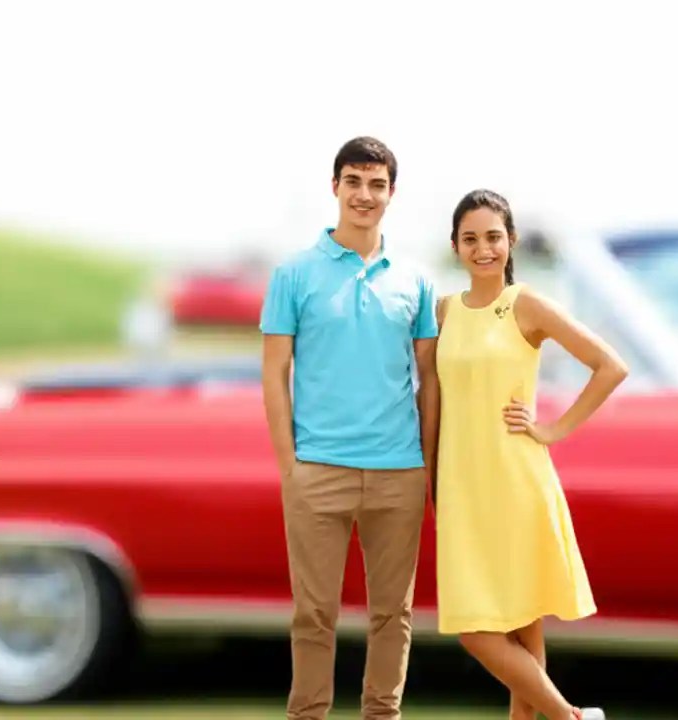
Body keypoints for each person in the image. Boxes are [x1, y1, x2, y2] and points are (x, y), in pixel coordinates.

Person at [260, 136, 439, 720]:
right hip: (318, 470)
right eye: (354, 182)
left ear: (392, 193)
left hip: (399, 472)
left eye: (377, 184)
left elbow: (429, 381)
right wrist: (290, 467)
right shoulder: (293, 275)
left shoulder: (415, 280)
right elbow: (274, 372)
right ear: (335, 187)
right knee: (313, 615)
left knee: (395, 615)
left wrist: (428, 468)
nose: (365, 195)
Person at [433, 189, 628, 720]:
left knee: (499, 626)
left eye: (493, 237)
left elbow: (610, 366)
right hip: (460, 488)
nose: (483, 249)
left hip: (517, 479)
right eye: (470, 239)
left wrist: (552, 429)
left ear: (511, 240)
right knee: (491, 625)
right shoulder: (443, 312)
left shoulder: (527, 305)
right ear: (455, 246)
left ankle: (567, 718)